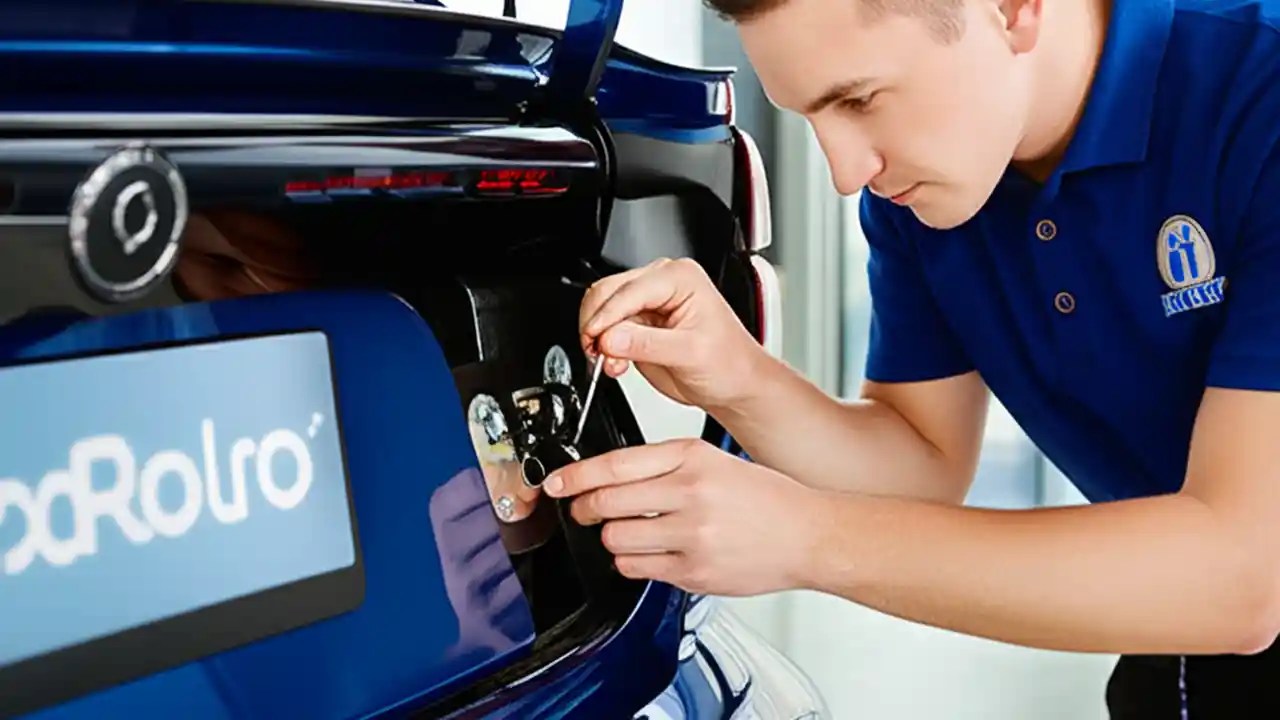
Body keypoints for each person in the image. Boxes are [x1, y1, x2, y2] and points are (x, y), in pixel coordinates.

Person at [539, 0, 1280, 716]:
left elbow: (1241, 575)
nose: (846, 172)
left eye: (859, 101)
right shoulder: (929, 191)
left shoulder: (1261, 90)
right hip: (1176, 648)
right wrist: (738, 378)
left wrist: (806, 537)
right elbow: (919, 467)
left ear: (1013, 7)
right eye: (812, 118)